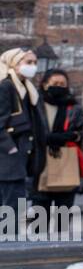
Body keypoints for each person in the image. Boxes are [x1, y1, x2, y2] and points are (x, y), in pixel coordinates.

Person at [0, 48, 46, 218]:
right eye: (28, 62)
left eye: (35, 63)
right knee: (11, 211)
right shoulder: (6, 87)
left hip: (20, 158)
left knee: (15, 209)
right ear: (14, 64)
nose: (33, 66)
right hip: (8, 161)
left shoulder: (27, 89)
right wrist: (11, 148)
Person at [32, 69, 83, 216]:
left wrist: (70, 136)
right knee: (40, 221)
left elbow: (82, 133)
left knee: (63, 220)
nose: (59, 86)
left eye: (62, 83)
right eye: (55, 83)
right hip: (40, 165)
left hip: (66, 164)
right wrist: (47, 138)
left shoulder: (74, 107)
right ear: (44, 84)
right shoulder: (35, 105)